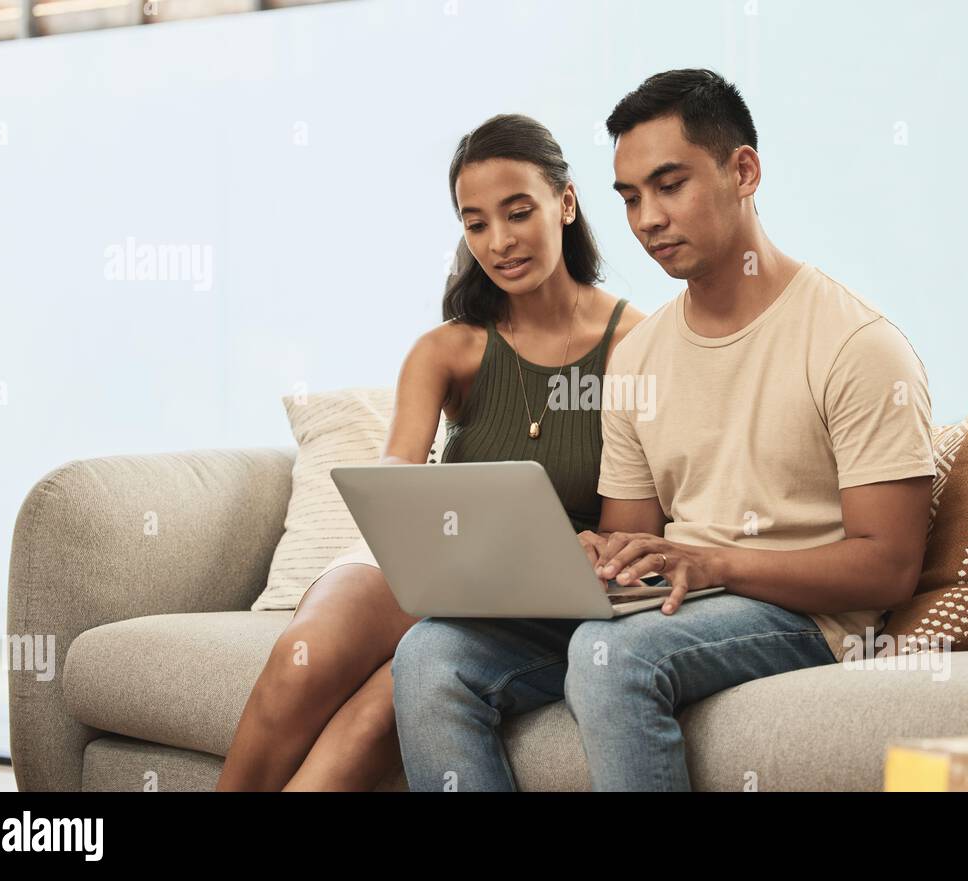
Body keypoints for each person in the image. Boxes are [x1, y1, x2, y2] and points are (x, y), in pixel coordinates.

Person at [390, 69, 937, 791]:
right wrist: (587, 553)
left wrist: (716, 563)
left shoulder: (855, 343)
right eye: (630, 197)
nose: (647, 217)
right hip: (676, 600)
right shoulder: (641, 356)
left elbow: (888, 564)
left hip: (801, 616)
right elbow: (632, 536)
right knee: (431, 656)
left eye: (669, 185)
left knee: (613, 656)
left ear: (743, 171)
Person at [215, 113, 643, 791]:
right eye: (476, 223)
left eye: (518, 211)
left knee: (375, 716)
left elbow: (633, 527)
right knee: (303, 657)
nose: (498, 242)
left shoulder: (633, 344)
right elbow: (398, 479)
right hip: (433, 565)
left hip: (538, 595)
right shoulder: (448, 349)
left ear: (565, 203)